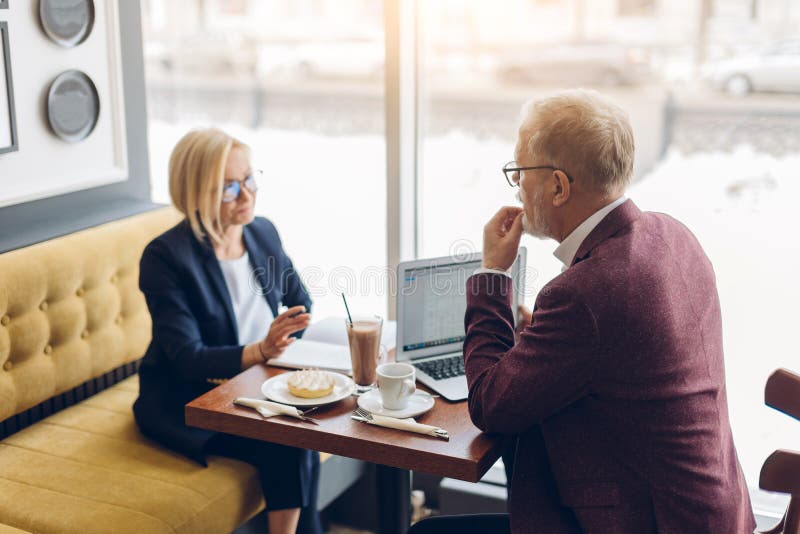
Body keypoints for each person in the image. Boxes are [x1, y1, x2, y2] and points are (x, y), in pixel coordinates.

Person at [410, 90, 754, 533]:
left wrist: (493, 274)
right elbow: (626, 352)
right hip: (710, 512)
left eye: (519, 172)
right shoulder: (672, 234)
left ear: (557, 186)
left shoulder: (584, 295)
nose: (517, 186)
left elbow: (490, 404)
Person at [133, 128, 321, 534]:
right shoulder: (166, 257)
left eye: (250, 179)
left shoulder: (262, 232)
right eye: (229, 188)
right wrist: (261, 353)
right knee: (289, 438)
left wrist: (282, 355)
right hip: (190, 397)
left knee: (310, 426)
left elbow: (300, 303)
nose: (246, 195)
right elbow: (187, 359)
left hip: (257, 384)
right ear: (195, 192)